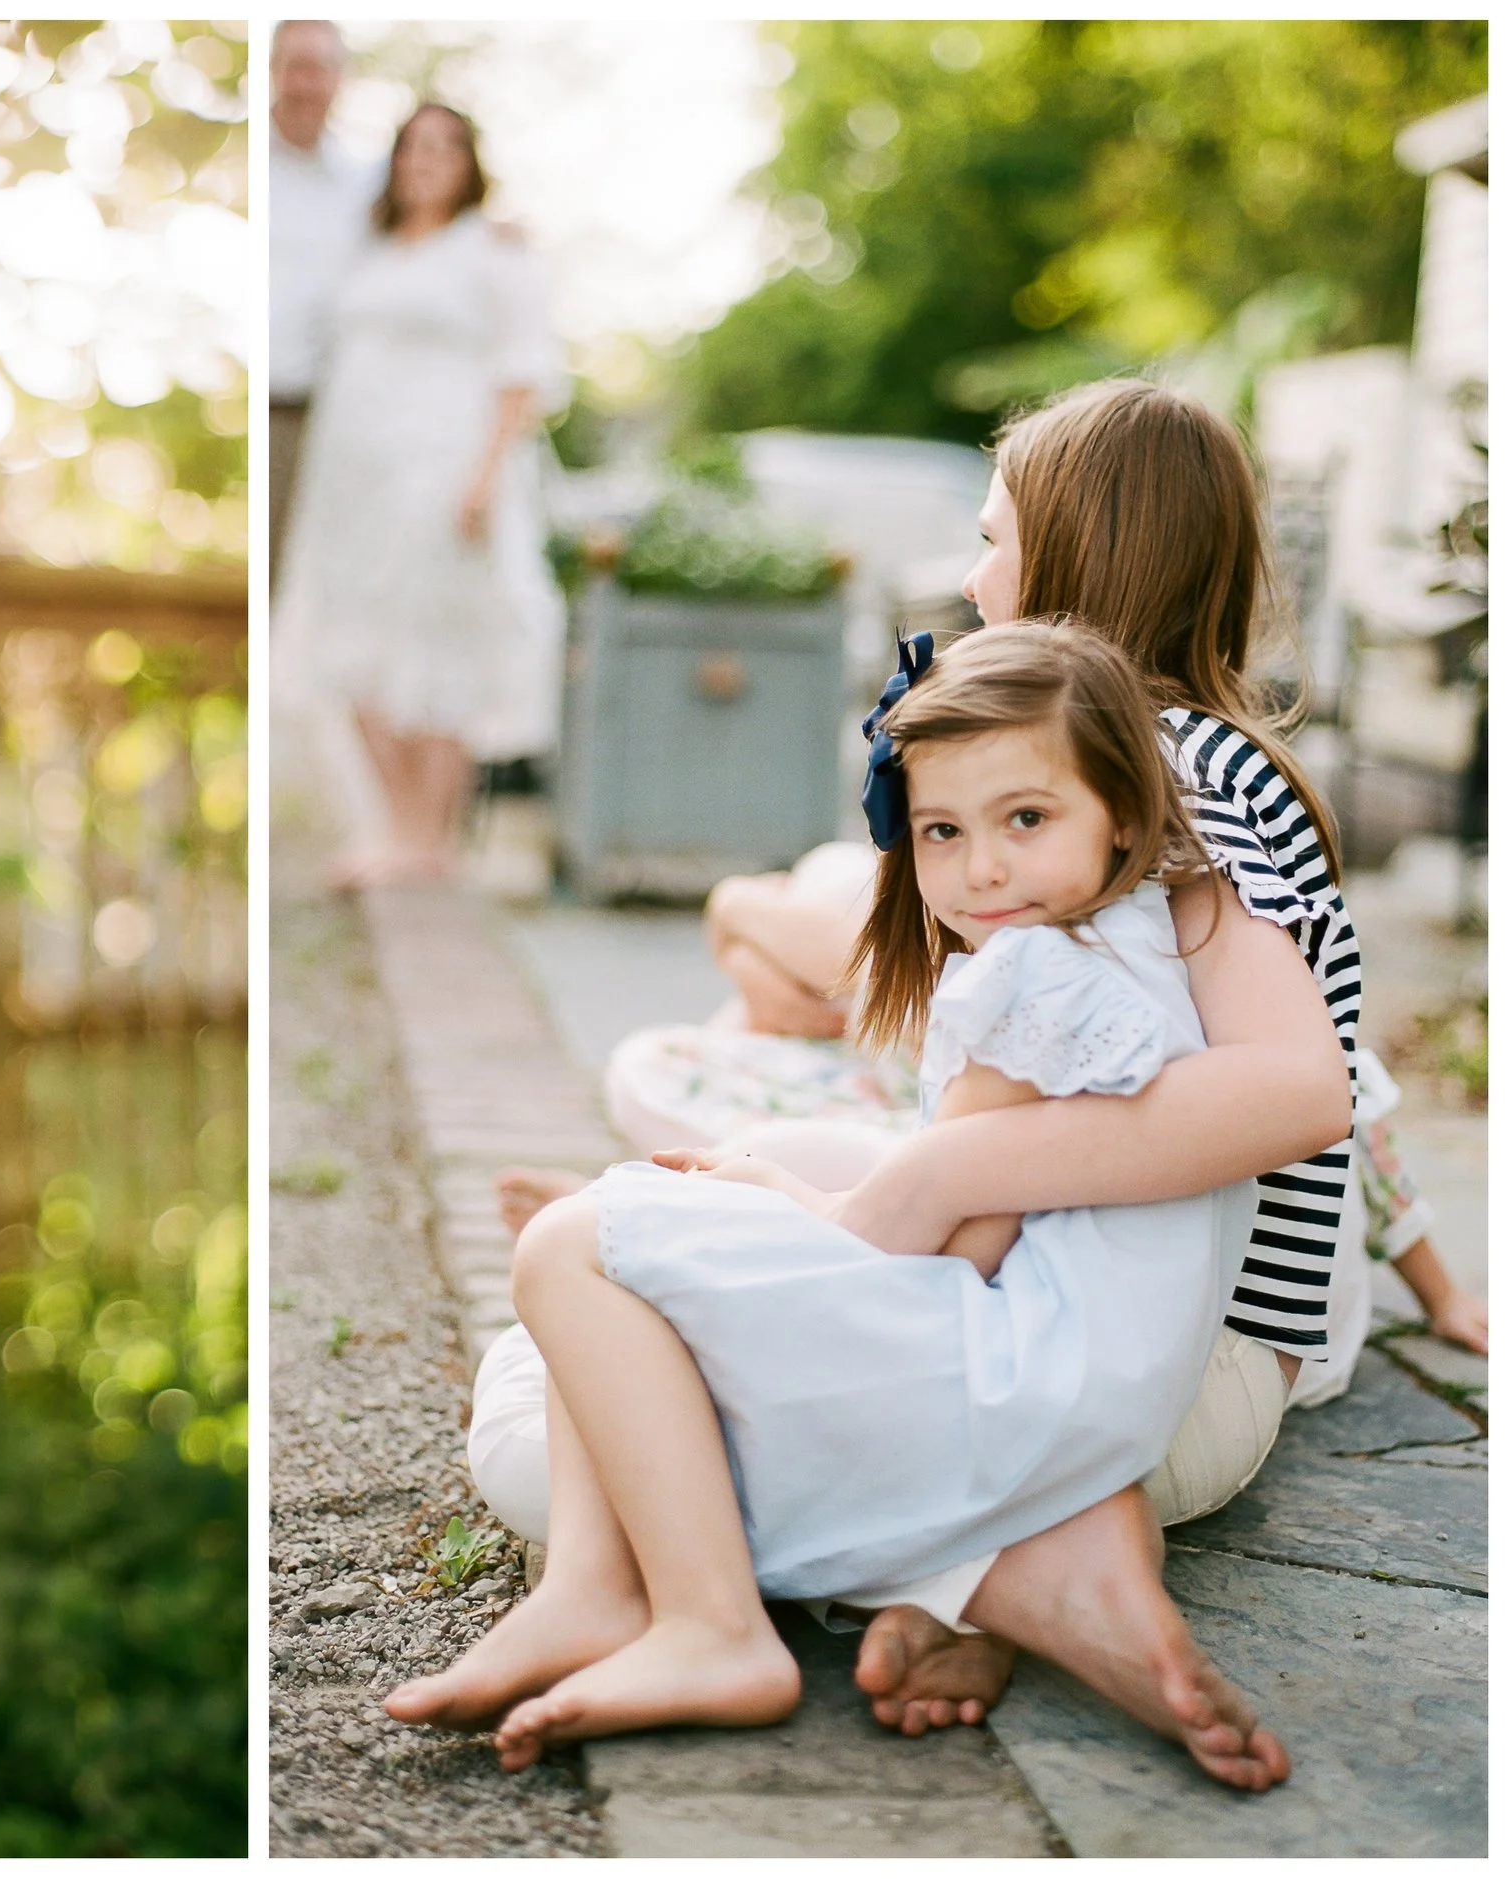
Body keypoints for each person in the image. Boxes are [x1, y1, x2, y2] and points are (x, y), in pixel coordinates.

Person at [479, 377, 1387, 1736]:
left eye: (990, 537)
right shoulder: (1170, 758)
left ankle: (983, 1565)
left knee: (538, 1417)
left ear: (1079, 555)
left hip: (1182, 1373)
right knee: (717, 1181)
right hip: (1128, 1317)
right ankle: (963, 1572)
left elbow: (1296, 1088)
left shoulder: (1171, 770)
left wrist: (928, 1180)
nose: (969, 579)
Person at [391, 621, 1297, 1791]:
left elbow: (942, 1248)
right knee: (645, 1235)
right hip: (1097, 1379)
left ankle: (699, 1621)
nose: (982, 868)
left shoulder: (1030, 980)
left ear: (1122, 810)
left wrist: (771, 1201)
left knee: (576, 1246)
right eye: (941, 831)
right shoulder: (1131, 945)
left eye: (1025, 818)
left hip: (1013, 1372)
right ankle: (620, 1591)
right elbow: (984, 1214)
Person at [276, 101, 567, 884]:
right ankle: (399, 826)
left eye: (444, 148)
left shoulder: (493, 252)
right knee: (353, 650)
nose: (425, 161)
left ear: (469, 164)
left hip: (443, 475)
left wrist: (483, 478)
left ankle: (429, 836)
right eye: (412, 147)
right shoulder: (367, 247)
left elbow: (521, 373)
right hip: (352, 486)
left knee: (440, 648)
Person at [266, 20, 375, 572]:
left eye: (318, 69)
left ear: (340, 79)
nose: (305, 84)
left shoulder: (366, 184)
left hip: (328, 419)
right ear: (272, 70)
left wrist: (497, 230)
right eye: (294, 66)